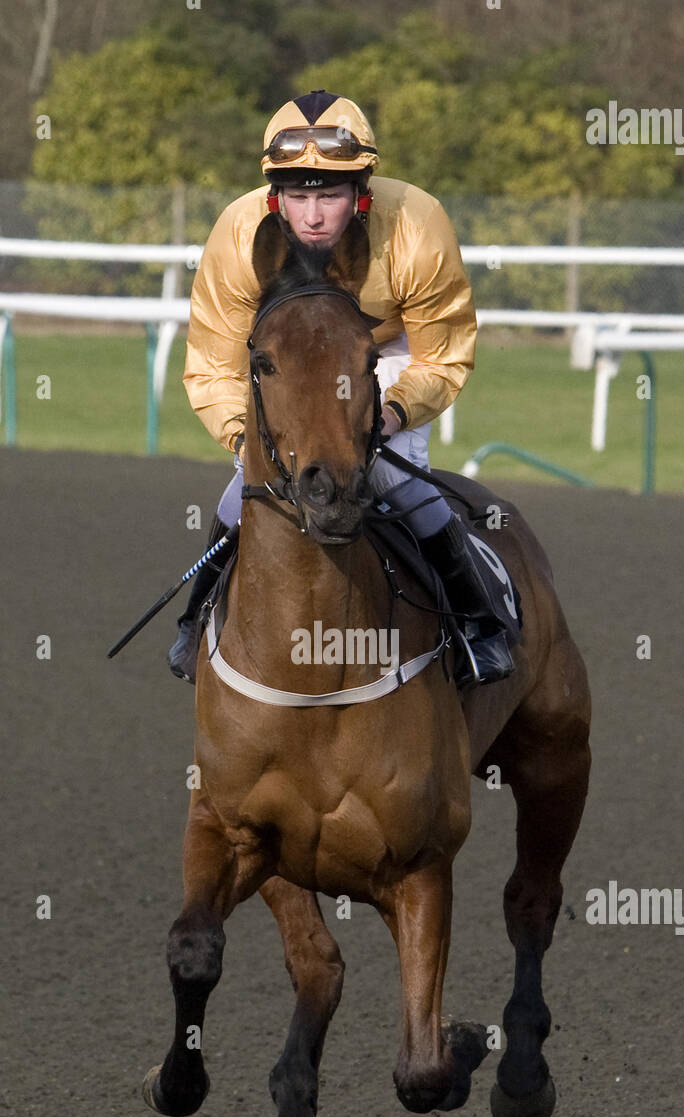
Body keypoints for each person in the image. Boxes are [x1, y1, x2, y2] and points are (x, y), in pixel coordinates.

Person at [171, 89, 514, 685]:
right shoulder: (238, 232)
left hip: (383, 357)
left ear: (361, 194)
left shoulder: (416, 222)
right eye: (298, 196)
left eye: (329, 194)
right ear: (275, 196)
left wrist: (393, 415)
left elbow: (443, 353)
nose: (312, 215)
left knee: (393, 480)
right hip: (293, 362)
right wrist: (242, 441)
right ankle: (195, 618)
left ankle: (478, 624)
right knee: (239, 495)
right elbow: (214, 363)